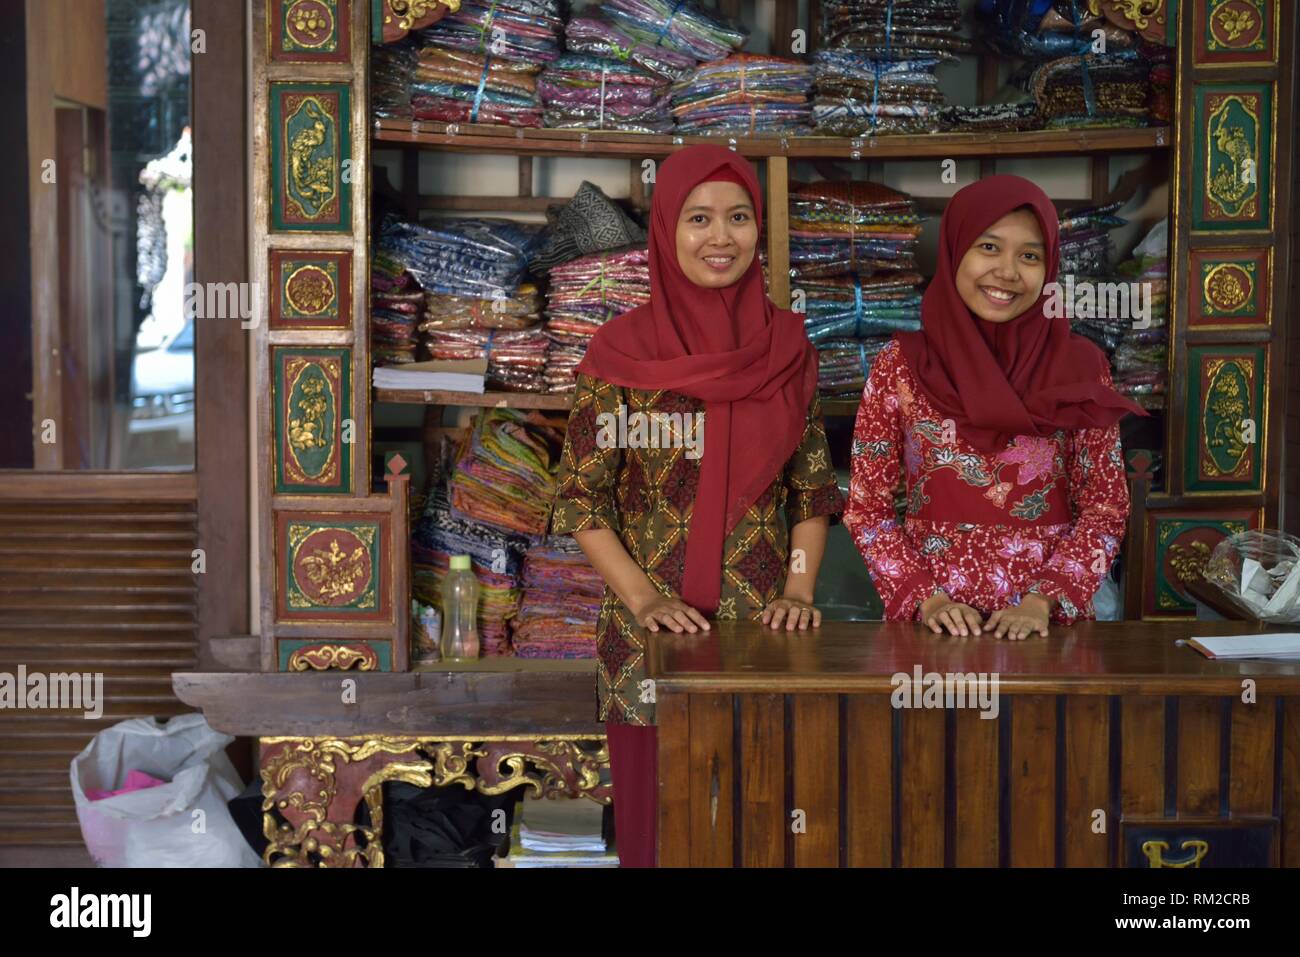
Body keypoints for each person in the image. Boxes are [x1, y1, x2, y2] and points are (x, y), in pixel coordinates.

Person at [549, 145, 844, 867]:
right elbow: (581, 499)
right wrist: (645, 599)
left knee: (762, 826)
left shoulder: (787, 348)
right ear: (665, 231)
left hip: (762, 630)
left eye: (739, 217)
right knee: (657, 836)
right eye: (699, 218)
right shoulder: (619, 351)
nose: (722, 237)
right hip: (647, 638)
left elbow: (811, 491)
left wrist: (801, 587)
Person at [843, 175, 1145, 640]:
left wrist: (1042, 601)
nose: (1007, 271)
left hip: (1048, 632)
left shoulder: (1080, 368)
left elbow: (1104, 507)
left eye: (1029, 256)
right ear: (955, 249)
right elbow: (868, 509)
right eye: (989, 247)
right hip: (934, 631)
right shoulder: (902, 365)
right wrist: (927, 597)